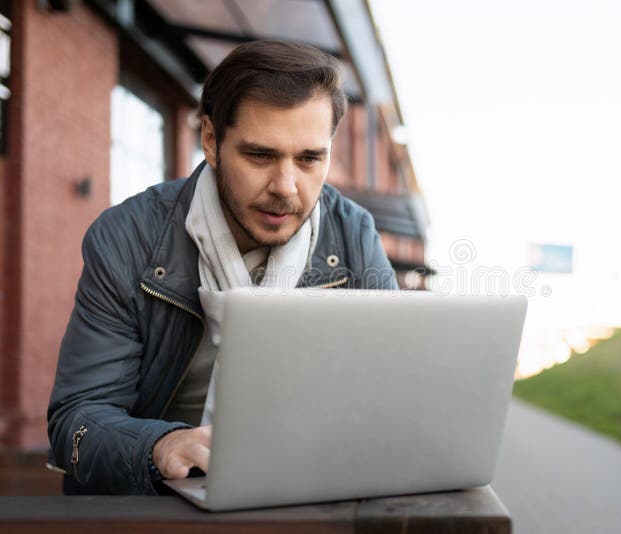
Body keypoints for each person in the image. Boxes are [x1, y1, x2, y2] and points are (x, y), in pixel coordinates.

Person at [47, 40, 398, 495]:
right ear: (211, 141)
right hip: (154, 503)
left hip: (301, 491)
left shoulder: (354, 235)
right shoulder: (127, 238)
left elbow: (387, 396)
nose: (286, 187)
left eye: (310, 158)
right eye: (260, 155)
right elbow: (76, 419)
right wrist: (159, 446)